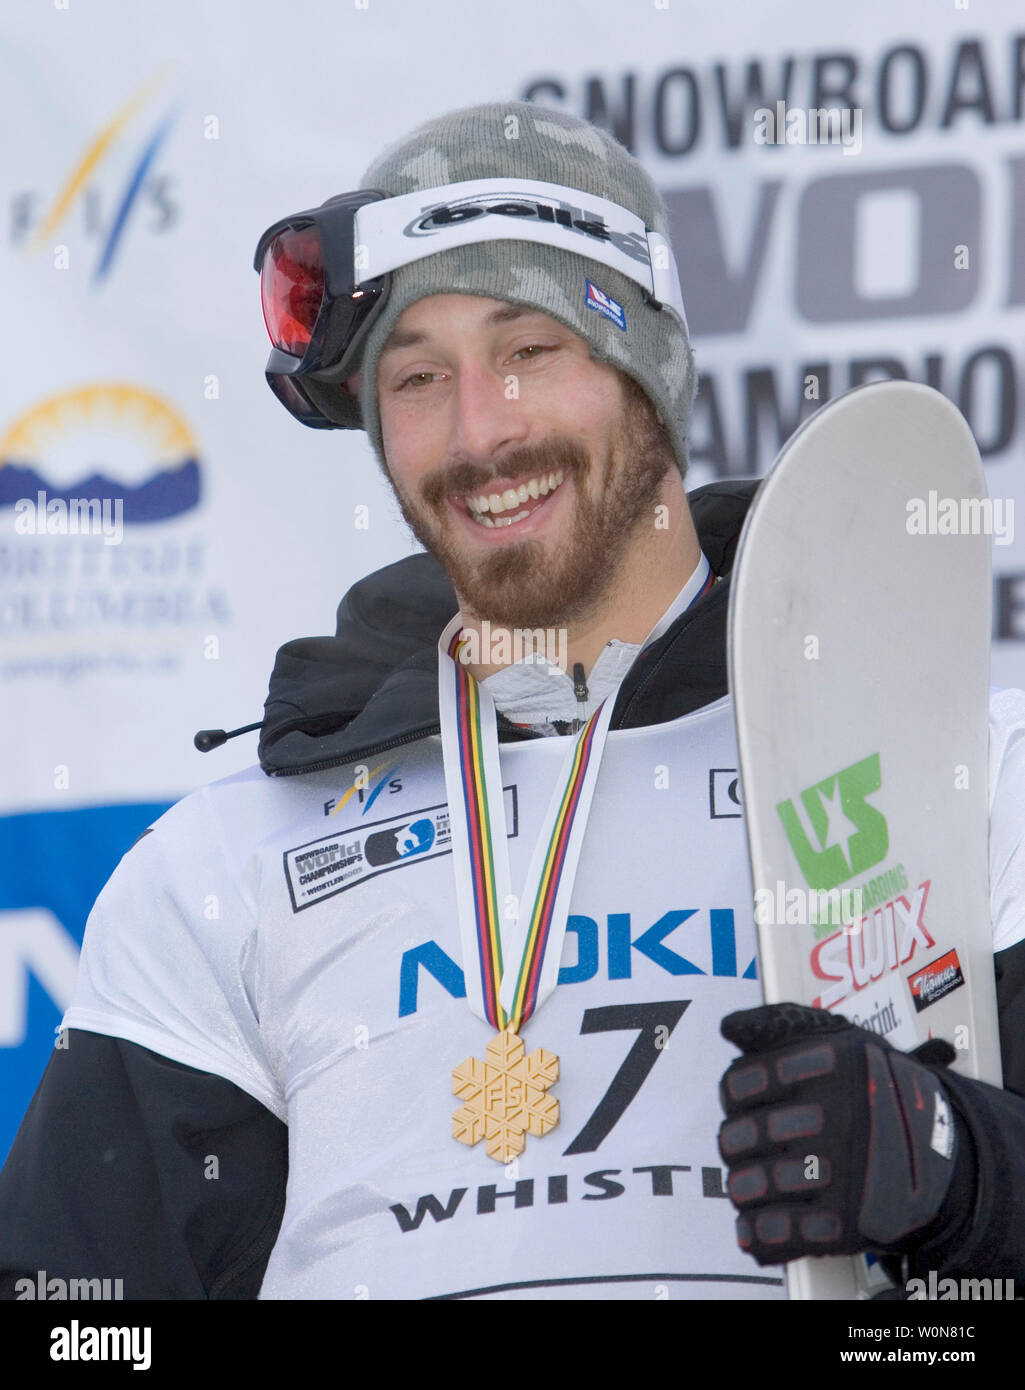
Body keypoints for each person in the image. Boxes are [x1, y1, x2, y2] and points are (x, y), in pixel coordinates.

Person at [2, 100, 1025, 1302]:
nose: (478, 433)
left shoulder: (960, 765)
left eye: (529, 350)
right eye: (418, 377)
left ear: (646, 368)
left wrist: (964, 1174)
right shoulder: (228, 862)